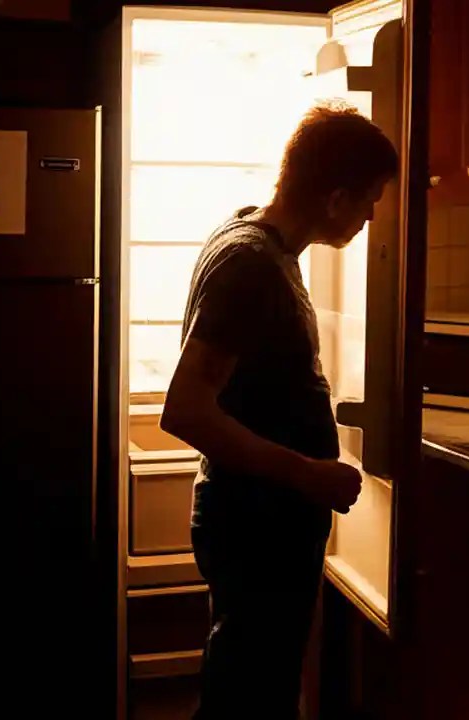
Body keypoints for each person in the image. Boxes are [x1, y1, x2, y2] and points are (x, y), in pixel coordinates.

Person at [159, 102, 399, 719]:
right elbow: (186, 410)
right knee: (249, 694)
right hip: (255, 523)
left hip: (260, 520)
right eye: (369, 201)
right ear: (336, 198)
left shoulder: (255, 238)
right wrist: (309, 473)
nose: (371, 216)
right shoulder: (251, 266)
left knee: (253, 681)